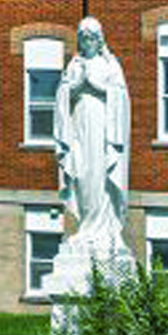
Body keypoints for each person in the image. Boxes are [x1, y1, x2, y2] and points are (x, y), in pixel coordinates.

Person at [53, 17, 130, 256]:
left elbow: (121, 97)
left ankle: (103, 230)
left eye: (92, 38)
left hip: (101, 129)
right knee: (82, 175)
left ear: (99, 40)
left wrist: (95, 86)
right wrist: (74, 87)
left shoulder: (109, 65)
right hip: (78, 127)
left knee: (99, 174)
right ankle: (86, 228)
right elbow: (62, 94)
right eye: (83, 38)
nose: (87, 43)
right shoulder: (74, 64)